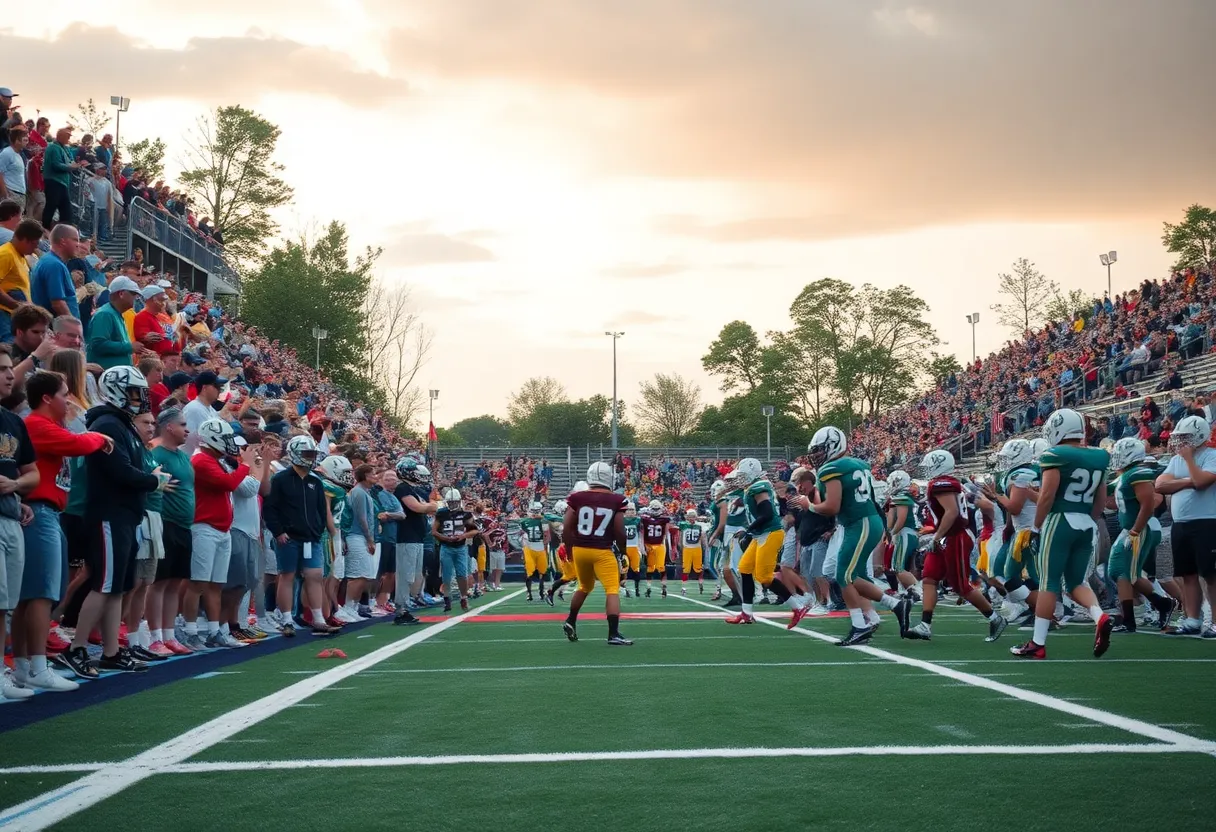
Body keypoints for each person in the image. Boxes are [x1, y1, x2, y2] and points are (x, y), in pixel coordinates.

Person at [60, 366, 167, 680]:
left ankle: (111, 652)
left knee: (118, 587)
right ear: (119, 390)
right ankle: (76, 647)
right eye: (135, 392)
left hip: (122, 514)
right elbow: (118, 470)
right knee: (105, 585)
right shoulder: (108, 422)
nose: (140, 399)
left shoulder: (120, 424)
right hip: (109, 513)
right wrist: (151, 481)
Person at [12, 370, 111, 693]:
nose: (68, 399)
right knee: (40, 593)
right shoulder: (37, 425)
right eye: (64, 393)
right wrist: (101, 437)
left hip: (49, 510)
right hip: (40, 510)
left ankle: (26, 666)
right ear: (46, 398)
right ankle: (36, 664)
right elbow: (78, 443)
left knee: (34, 594)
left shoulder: (45, 425)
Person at [1011, 408, 1113, 659]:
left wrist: (1036, 527)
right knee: (1076, 582)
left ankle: (1038, 643)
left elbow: (1047, 496)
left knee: (1049, 582)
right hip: (1086, 523)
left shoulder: (1055, 454)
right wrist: (1088, 520)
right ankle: (1100, 616)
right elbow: (1100, 499)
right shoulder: (1099, 456)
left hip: (1060, 521)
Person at [805, 426, 909, 646]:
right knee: (857, 575)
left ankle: (860, 626)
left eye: (820, 449)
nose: (816, 455)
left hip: (858, 523)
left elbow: (832, 507)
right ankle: (889, 608)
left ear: (834, 446)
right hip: (867, 521)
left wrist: (810, 506)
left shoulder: (831, 468)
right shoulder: (856, 464)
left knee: (843, 575)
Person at [903, 450, 1008, 643]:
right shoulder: (955, 483)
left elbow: (951, 512)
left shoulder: (941, 484)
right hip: (947, 535)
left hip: (955, 536)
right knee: (929, 577)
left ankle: (995, 618)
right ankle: (925, 625)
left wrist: (937, 537)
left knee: (960, 585)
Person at [183, 419, 251, 649]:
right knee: (198, 583)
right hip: (204, 527)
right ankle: (190, 630)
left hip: (220, 529)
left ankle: (215, 631)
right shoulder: (201, 460)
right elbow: (228, 483)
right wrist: (246, 465)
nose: (230, 444)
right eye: (226, 439)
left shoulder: (214, 459)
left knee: (216, 584)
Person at [264, 435, 337, 637]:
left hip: (310, 537)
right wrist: (278, 531)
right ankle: (286, 619)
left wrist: (317, 530)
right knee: (287, 576)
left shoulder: (315, 480)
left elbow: (321, 511)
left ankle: (318, 619)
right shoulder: (279, 479)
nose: (311, 457)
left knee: (315, 576)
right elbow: (270, 508)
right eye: (307, 453)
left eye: (312, 453)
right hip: (288, 537)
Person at [0, 347, 41, 700]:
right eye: (2, 370)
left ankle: (1, 670)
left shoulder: (13, 421)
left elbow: (31, 473)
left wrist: (15, 489)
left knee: (6, 601)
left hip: (11, 514)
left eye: (8, 368)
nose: (10, 375)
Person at [1107, 437, 1178, 633]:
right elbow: (1106, 493)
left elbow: (1148, 505)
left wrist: (1135, 530)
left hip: (1140, 528)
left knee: (1122, 571)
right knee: (1120, 572)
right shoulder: (1125, 475)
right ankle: (1162, 603)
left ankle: (1129, 619)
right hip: (1131, 529)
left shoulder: (1137, 473)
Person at [1154, 414, 1216, 636]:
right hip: (1181, 523)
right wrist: (1188, 482)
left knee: (1210, 574)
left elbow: (1202, 482)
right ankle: (1192, 619)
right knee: (1187, 574)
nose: (1180, 441)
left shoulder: (1211, 456)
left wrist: (1189, 462)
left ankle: (1215, 622)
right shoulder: (1175, 460)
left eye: (1185, 437)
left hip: (1207, 521)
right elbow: (1160, 485)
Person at [562, 461, 632, 645]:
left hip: (579, 549)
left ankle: (570, 620)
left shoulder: (577, 497)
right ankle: (613, 634)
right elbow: (619, 531)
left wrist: (569, 551)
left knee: (584, 586)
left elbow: (567, 527)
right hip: (602, 549)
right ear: (609, 477)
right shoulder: (617, 499)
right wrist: (623, 552)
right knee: (612, 589)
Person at [147, 407, 197, 656]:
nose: (187, 429)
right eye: (183, 425)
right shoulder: (157, 454)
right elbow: (149, 481)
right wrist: (159, 483)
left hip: (184, 526)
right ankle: (154, 636)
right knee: (159, 582)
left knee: (175, 582)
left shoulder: (183, 456)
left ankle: (169, 634)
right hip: (165, 522)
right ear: (169, 427)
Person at [433, 486, 477, 613]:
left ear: (459, 501)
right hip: (446, 547)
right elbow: (434, 531)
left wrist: (463, 535)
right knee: (446, 575)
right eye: (450, 502)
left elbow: (474, 530)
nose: (452, 504)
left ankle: (464, 598)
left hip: (460, 547)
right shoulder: (441, 513)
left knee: (461, 574)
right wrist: (446, 538)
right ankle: (447, 599)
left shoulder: (465, 514)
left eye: (454, 502)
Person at [85, 275, 143, 371]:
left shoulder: (116, 313)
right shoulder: (105, 314)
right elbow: (98, 344)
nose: (136, 298)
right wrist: (129, 347)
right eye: (133, 293)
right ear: (121, 294)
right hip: (105, 377)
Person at [0, 219, 40, 344]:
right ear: (24, 240)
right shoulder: (6, 254)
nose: (34, 249)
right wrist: (19, 306)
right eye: (33, 244)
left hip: (13, 316)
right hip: (3, 315)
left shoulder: (21, 256)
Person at [29, 223, 81, 320]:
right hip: (57, 329)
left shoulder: (51, 261)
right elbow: (58, 304)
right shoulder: (54, 264)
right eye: (75, 240)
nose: (78, 245)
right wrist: (74, 329)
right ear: (63, 241)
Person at [519, 500, 550, 601]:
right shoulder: (543, 520)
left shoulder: (526, 521)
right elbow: (547, 536)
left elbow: (547, 536)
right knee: (536, 571)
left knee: (535, 571)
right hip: (535, 546)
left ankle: (534, 592)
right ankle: (536, 592)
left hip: (534, 546)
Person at [640, 499, 670, 598]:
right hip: (650, 545)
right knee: (651, 567)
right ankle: (650, 588)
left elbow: (666, 534)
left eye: (657, 508)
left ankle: (662, 588)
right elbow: (642, 533)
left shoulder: (664, 519)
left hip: (658, 544)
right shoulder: (645, 519)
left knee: (659, 566)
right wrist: (642, 546)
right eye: (654, 508)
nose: (656, 510)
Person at [677, 508, 705, 595]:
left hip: (697, 548)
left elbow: (702, 537)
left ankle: (700, 585)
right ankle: (684, 587)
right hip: (687, 549)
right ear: (687, 517)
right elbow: (680, 536)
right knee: (686, 569)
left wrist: (704, 546)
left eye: (693, 516)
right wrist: (680, 545)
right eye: (690, 516)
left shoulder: (699, 526)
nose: (691, 518)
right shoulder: (683, 525)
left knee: (698, 568)